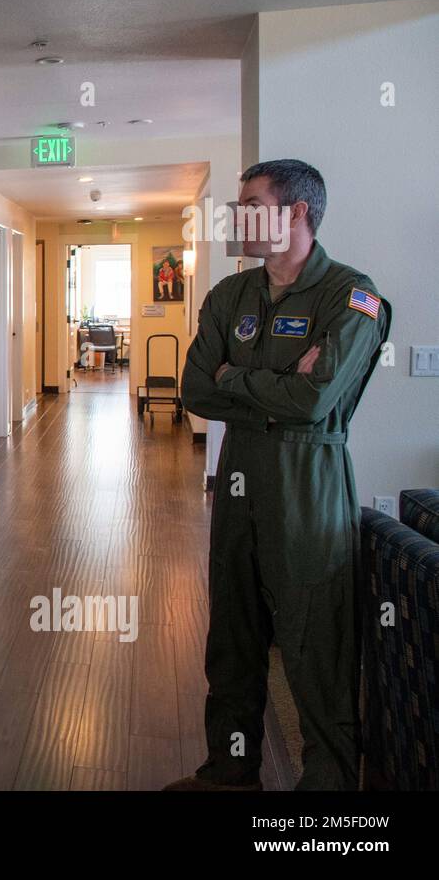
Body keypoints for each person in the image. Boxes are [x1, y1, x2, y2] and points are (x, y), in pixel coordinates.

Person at [169, 159, 391, 790]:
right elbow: (194, 391)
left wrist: (235, 379)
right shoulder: (229, 296)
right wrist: (282, 386)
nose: (235, 216)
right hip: (238, 486)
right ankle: (228, 773)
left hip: (308, 489)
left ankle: (327, 796)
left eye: (248, 203)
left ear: (295, 213)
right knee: (232, 641)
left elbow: (316, 402)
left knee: (316, 649)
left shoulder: (353, 297)